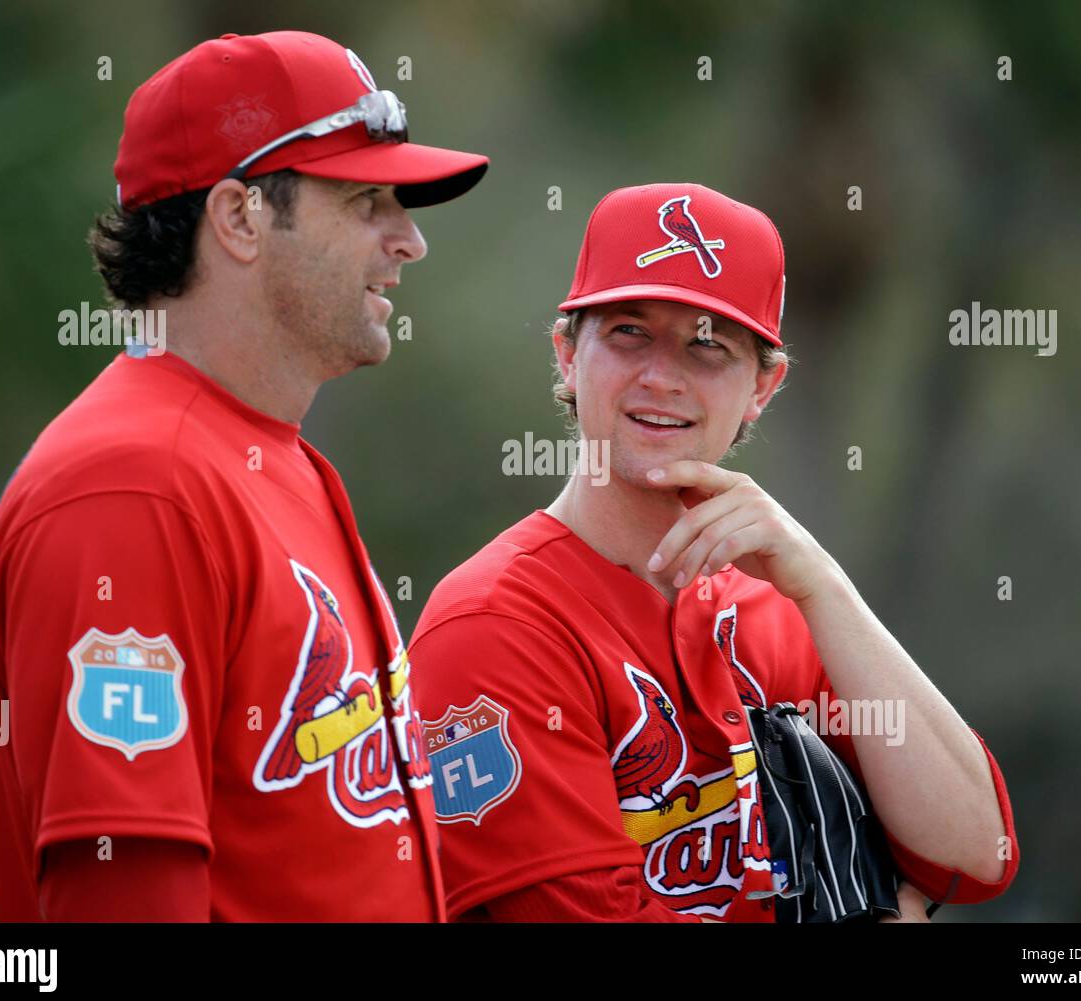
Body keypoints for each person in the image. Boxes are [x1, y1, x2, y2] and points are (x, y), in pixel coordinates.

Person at [0, 30, 488, 922]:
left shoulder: (259, 457)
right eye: (368, 201)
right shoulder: (133, 488)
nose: (409, 241)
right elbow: (122, 898)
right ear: (241, 218)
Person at [408, 182, 1020, 922]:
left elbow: (975, 856)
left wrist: (824, 585)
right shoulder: (493, 625)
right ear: (568, 355)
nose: (662, 375)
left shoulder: (781, 602)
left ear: (764, 386)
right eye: (629, 331)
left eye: (708, 344)